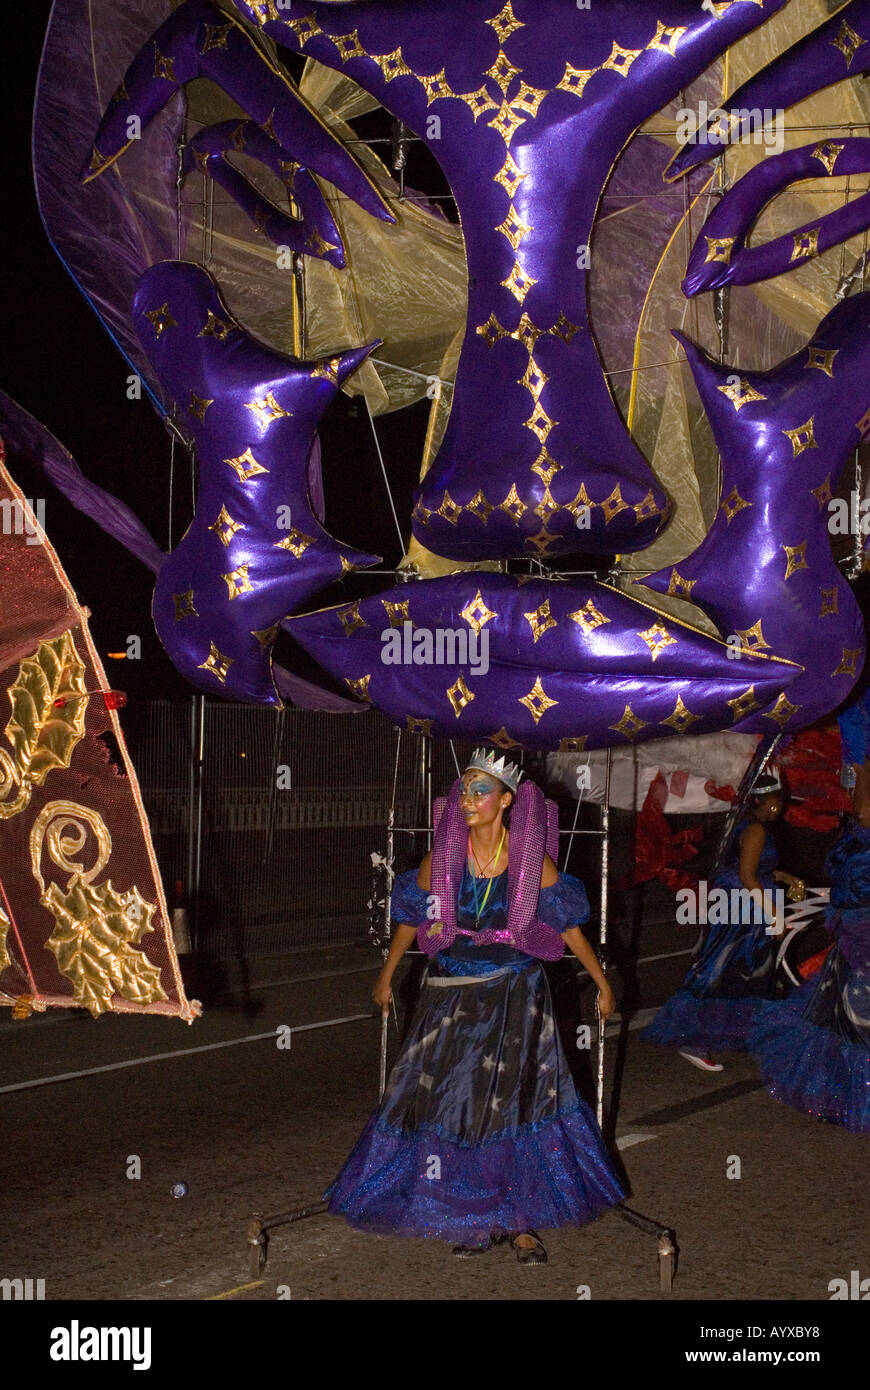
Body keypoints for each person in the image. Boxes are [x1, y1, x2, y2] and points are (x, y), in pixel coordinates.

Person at [324, 749, 624, 1263]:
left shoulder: (530, 862)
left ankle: (522, 1221)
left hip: (515, 994)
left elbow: (568, 927)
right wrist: (386, 975)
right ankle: (474, 1215)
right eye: (463, 789)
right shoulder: (441, 860)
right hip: (453, 995)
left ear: (506, 801)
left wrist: (601, 982)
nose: (467, 799)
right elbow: (411, 919)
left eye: (479, 790)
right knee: (455, 1103)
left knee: (516, 1103)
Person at [641, 770, 803, 1072]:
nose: (780, 807)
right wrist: (775, 914)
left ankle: (749, 1036)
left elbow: (746, 868)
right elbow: (747, 876)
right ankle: (690, 1038)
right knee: (719, 971)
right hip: (742, 914)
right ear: (769, 802)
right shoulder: (756, 830)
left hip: (740, 909)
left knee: (739, 974)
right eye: (778, 800)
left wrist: (783, 877)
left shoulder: (743, 824)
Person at [747, 800, 870, 1132]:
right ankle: (840, 1094)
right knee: (838, 1018)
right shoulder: (856, 841)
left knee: (853, 1020)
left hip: (859, 940)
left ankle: (847, 1095)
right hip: (852, 940)